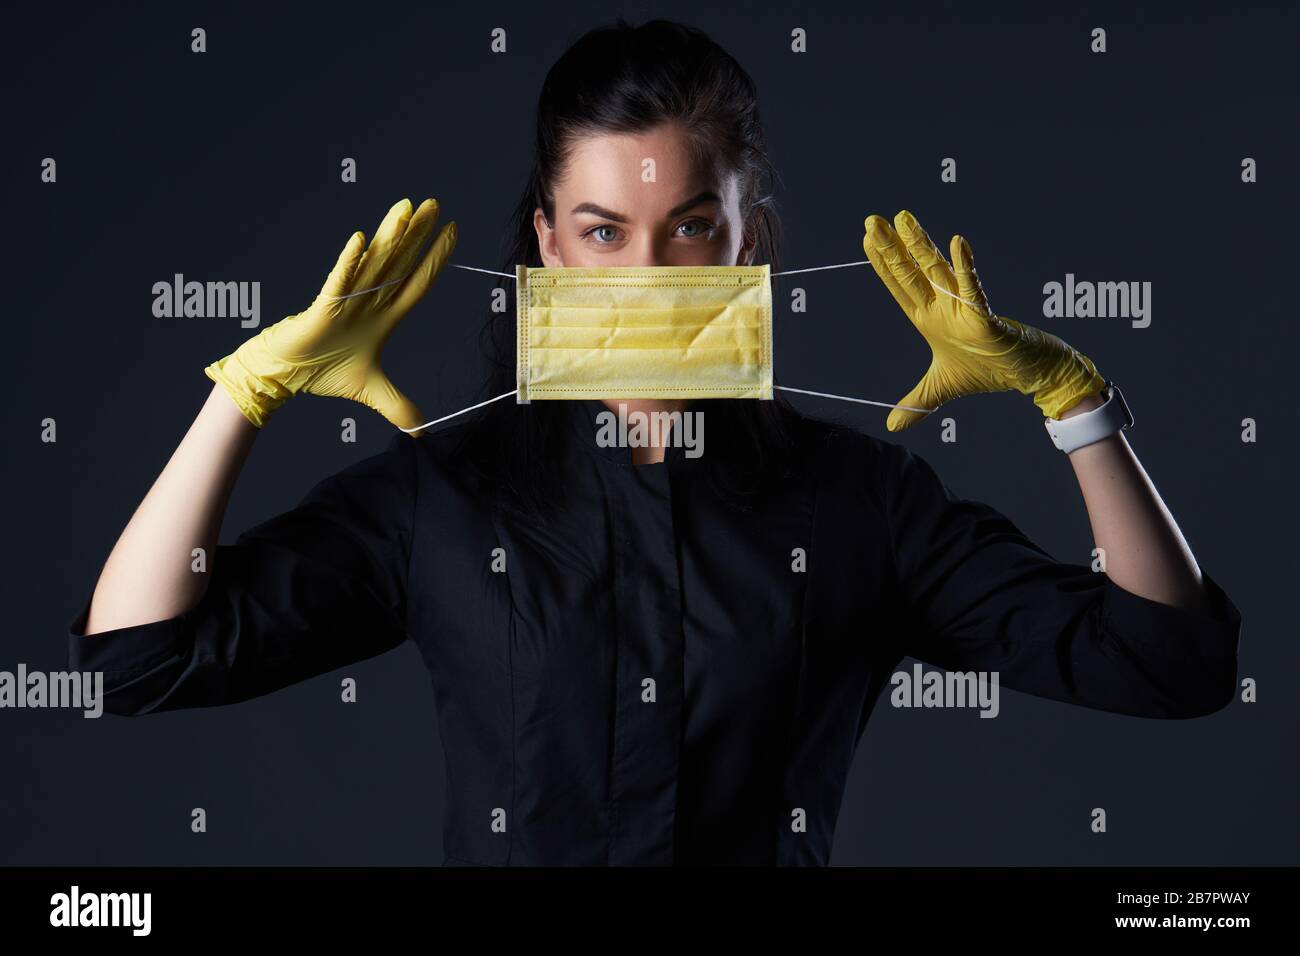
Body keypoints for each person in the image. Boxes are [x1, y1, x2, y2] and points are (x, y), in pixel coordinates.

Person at [69, 19, 1241, 866]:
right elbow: (137, 661)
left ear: (751, 240)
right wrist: (245, 390)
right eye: (601, 229)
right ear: (546, 245)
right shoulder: (447, 494)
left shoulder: (857, 502)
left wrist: (1074, 405)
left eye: (689, 227)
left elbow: (1168, 665)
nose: (643, 271)